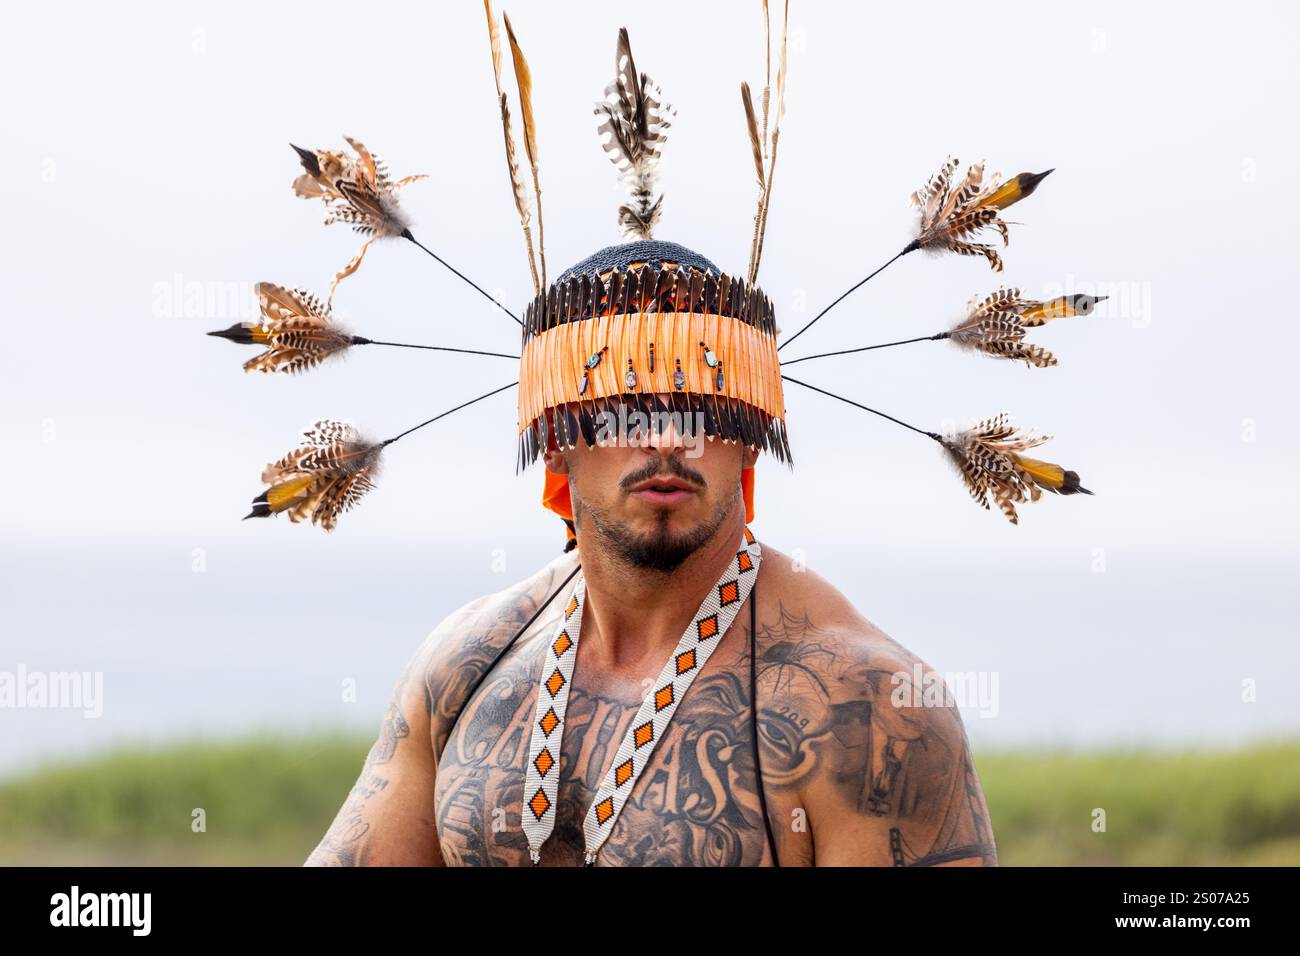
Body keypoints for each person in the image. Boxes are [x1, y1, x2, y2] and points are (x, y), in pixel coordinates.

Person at [305, 402, 997, 866]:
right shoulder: (465, 665)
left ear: (751, 438)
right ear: (555, 444)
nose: (668, 441)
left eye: (705, 407)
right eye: (625, 408)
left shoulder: (869, 705)